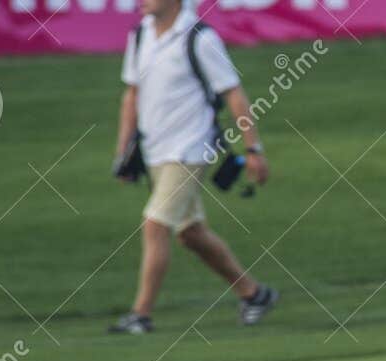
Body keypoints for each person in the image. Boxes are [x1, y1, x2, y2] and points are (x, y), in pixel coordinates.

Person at [109, 0, 276, 334]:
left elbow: (234, 94)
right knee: (191, 234)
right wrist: (124, 151)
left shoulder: (199, 37)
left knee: (155, 225)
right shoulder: (139, 35)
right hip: (156, 151)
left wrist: (253, 148)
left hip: (190, 150)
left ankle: (141, 314)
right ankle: (254, 294)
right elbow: (132, 95)